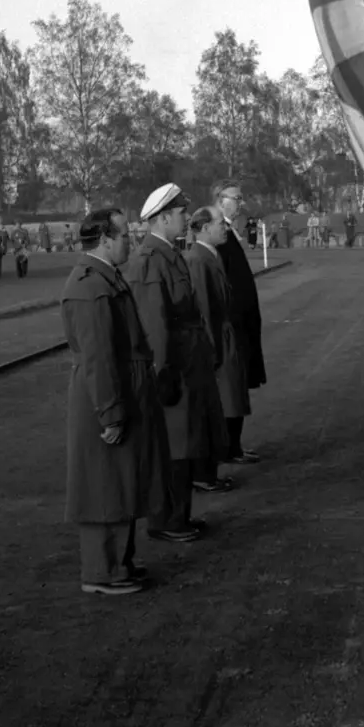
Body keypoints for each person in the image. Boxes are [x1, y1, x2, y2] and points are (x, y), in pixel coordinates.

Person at [61, 207, 171, 596]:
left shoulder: (107, 279)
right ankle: (101, 571)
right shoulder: (90, 286)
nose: (132, 239)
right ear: (105, 239)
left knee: (123, 484)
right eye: (125, 234)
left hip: (124, 390)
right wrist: (110, 413)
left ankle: (118, 562)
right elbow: (98, 358)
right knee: (105, 489)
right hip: (106, 398)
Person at [125, 184, 228, 539]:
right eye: (182, 212)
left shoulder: (169, 255)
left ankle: (178, 516)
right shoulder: (150, 261)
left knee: (187, 444)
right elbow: (155, 327)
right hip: (174, 372)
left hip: (188, 365)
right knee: (173, 449)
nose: (188, 217)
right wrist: (163, 374)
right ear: (163, 217)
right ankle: (166, 520)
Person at [186, 207, 252, 469]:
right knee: (227, 394)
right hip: (218, 338)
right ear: (204, 228)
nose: (225, 228)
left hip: (227, 333)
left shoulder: (210, 256)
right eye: (219, 224)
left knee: (235, 392)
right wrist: (212, 350)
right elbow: (203, 307)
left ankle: (232, 447)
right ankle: (224, 450)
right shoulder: (198, 259)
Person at [212, 180, 266, 467]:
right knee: (232, 388)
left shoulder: (230, 233)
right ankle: (228, 446)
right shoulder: (219, 237)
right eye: (236, 198)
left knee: (240, 386)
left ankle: (234, 445)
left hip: (242, 323)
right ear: (221, 201)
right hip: (232, 325)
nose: (240, 202)